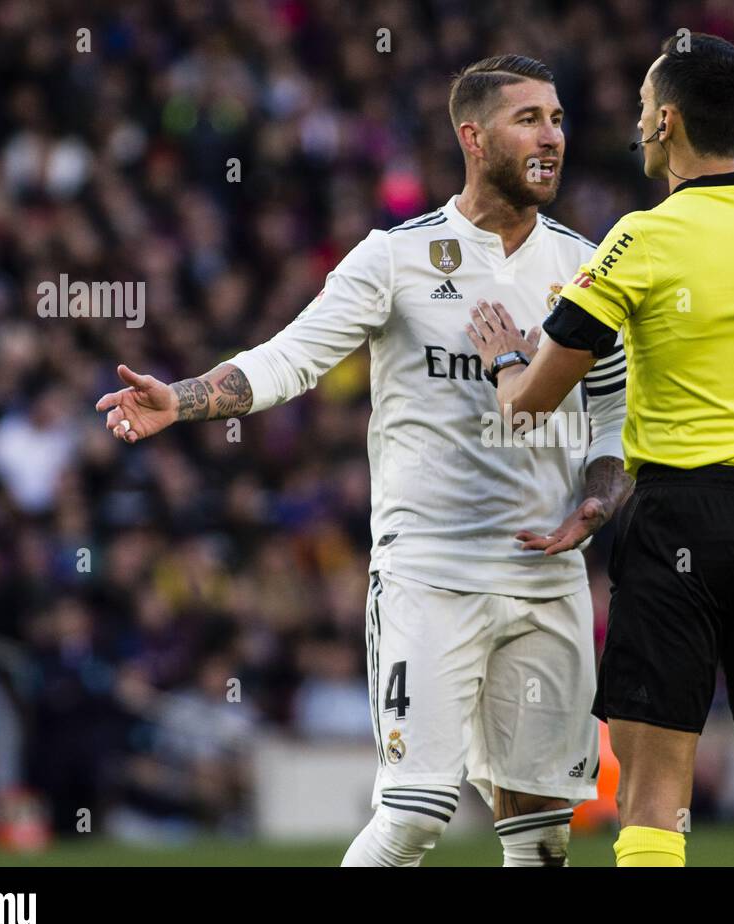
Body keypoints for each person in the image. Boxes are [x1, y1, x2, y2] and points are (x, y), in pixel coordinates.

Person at [94, 55, 632, 867]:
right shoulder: (396, 256)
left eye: (557, 118)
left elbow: (612, 419)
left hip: (547, 577)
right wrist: (188, 396)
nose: (552, 136)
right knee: (415, 815)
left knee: (541, 832)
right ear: (473, 137)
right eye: (529, 120)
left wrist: (596, 504)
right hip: (430, 570)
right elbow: (289, 359)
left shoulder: (588, 266)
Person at [468, 34, 734, 867]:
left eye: (640, 110)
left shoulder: (639, 239)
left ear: (664, 122)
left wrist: (506, 359)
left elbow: (535, 401)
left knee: (655, 797)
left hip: (683, 521)